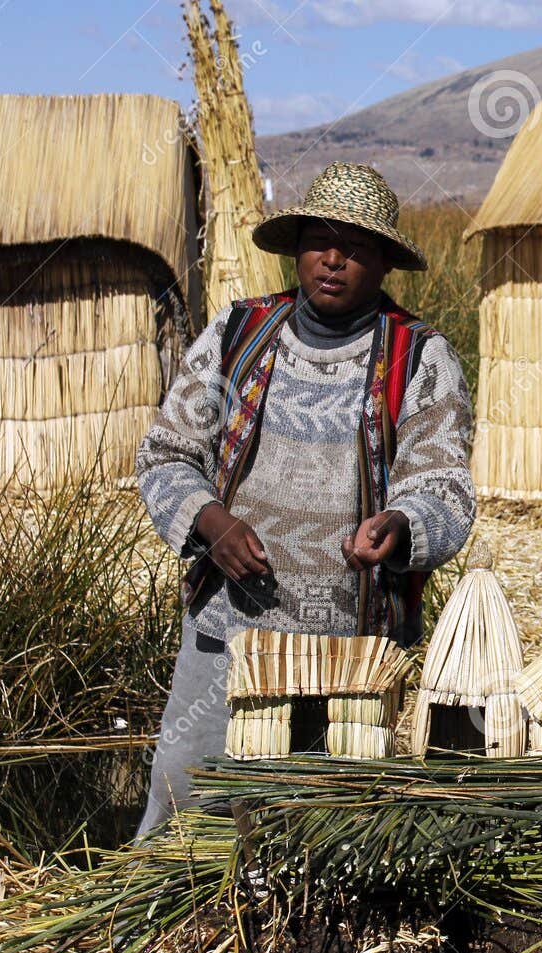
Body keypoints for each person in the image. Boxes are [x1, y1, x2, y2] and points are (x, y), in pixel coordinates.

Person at [132, 162, 475, 837]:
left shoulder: (419, 358)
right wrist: (213, 522)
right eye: (320, 240)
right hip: (228, 632)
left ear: (383, 263)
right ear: (296, 249)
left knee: (323, 826)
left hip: (351, 654)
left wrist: (400, 524)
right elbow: (165, 452)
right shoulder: (238, 337)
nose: (334, 259)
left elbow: (446, 488)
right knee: (186, 806)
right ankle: (161, 937)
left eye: (356, 247)